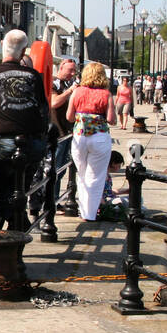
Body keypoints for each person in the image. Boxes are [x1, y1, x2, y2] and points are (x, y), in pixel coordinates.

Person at [0, 30, 49, 230]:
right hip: (33, 141)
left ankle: (12, 228)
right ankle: (17, 230)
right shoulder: (33, 75)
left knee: (2, 190)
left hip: (5, 139)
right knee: (20, 190)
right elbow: (43, 109)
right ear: (24, 50)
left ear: (2, 45)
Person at [29, 57, 77, 233]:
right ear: (61, 67)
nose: (72, 73)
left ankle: (54, 200)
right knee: (51, 171)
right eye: (70, 70)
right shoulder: (54, 84)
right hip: (55, 133)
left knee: (61, 170)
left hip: (66, 132)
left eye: (74, 71)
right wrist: (71, 91)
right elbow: (54, 102)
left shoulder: (66, 83)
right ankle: (48, 206)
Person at [65, 61, 117, 222]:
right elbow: (111, 119)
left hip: (80, 136)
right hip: (99, 137)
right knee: (96, 176)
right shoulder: (106, 94)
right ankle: (90, 214)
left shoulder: (77, 92)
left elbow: (69, 117)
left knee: (81, 174)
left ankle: (83, 210)